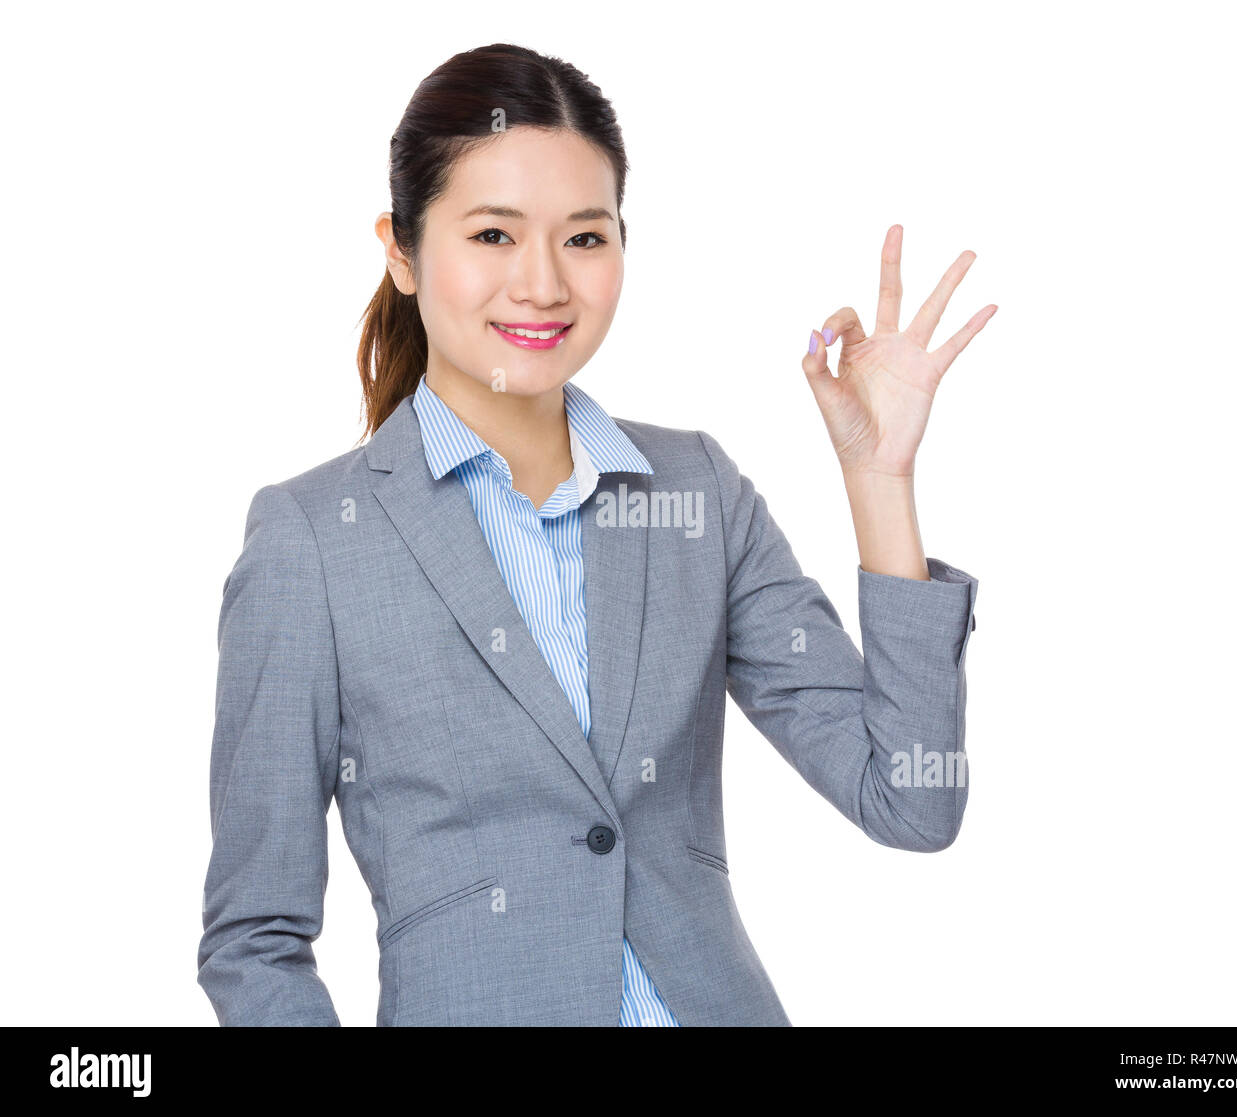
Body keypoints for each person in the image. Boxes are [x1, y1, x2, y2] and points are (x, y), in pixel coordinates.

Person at [197, 42, 994, 1027]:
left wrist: (879, 480)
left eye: (584, 237)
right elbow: (254, 939)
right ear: (401, 252)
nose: (541, 285)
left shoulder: (694, 490)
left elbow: (910, 802)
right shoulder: (313, 542)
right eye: (492, 235)